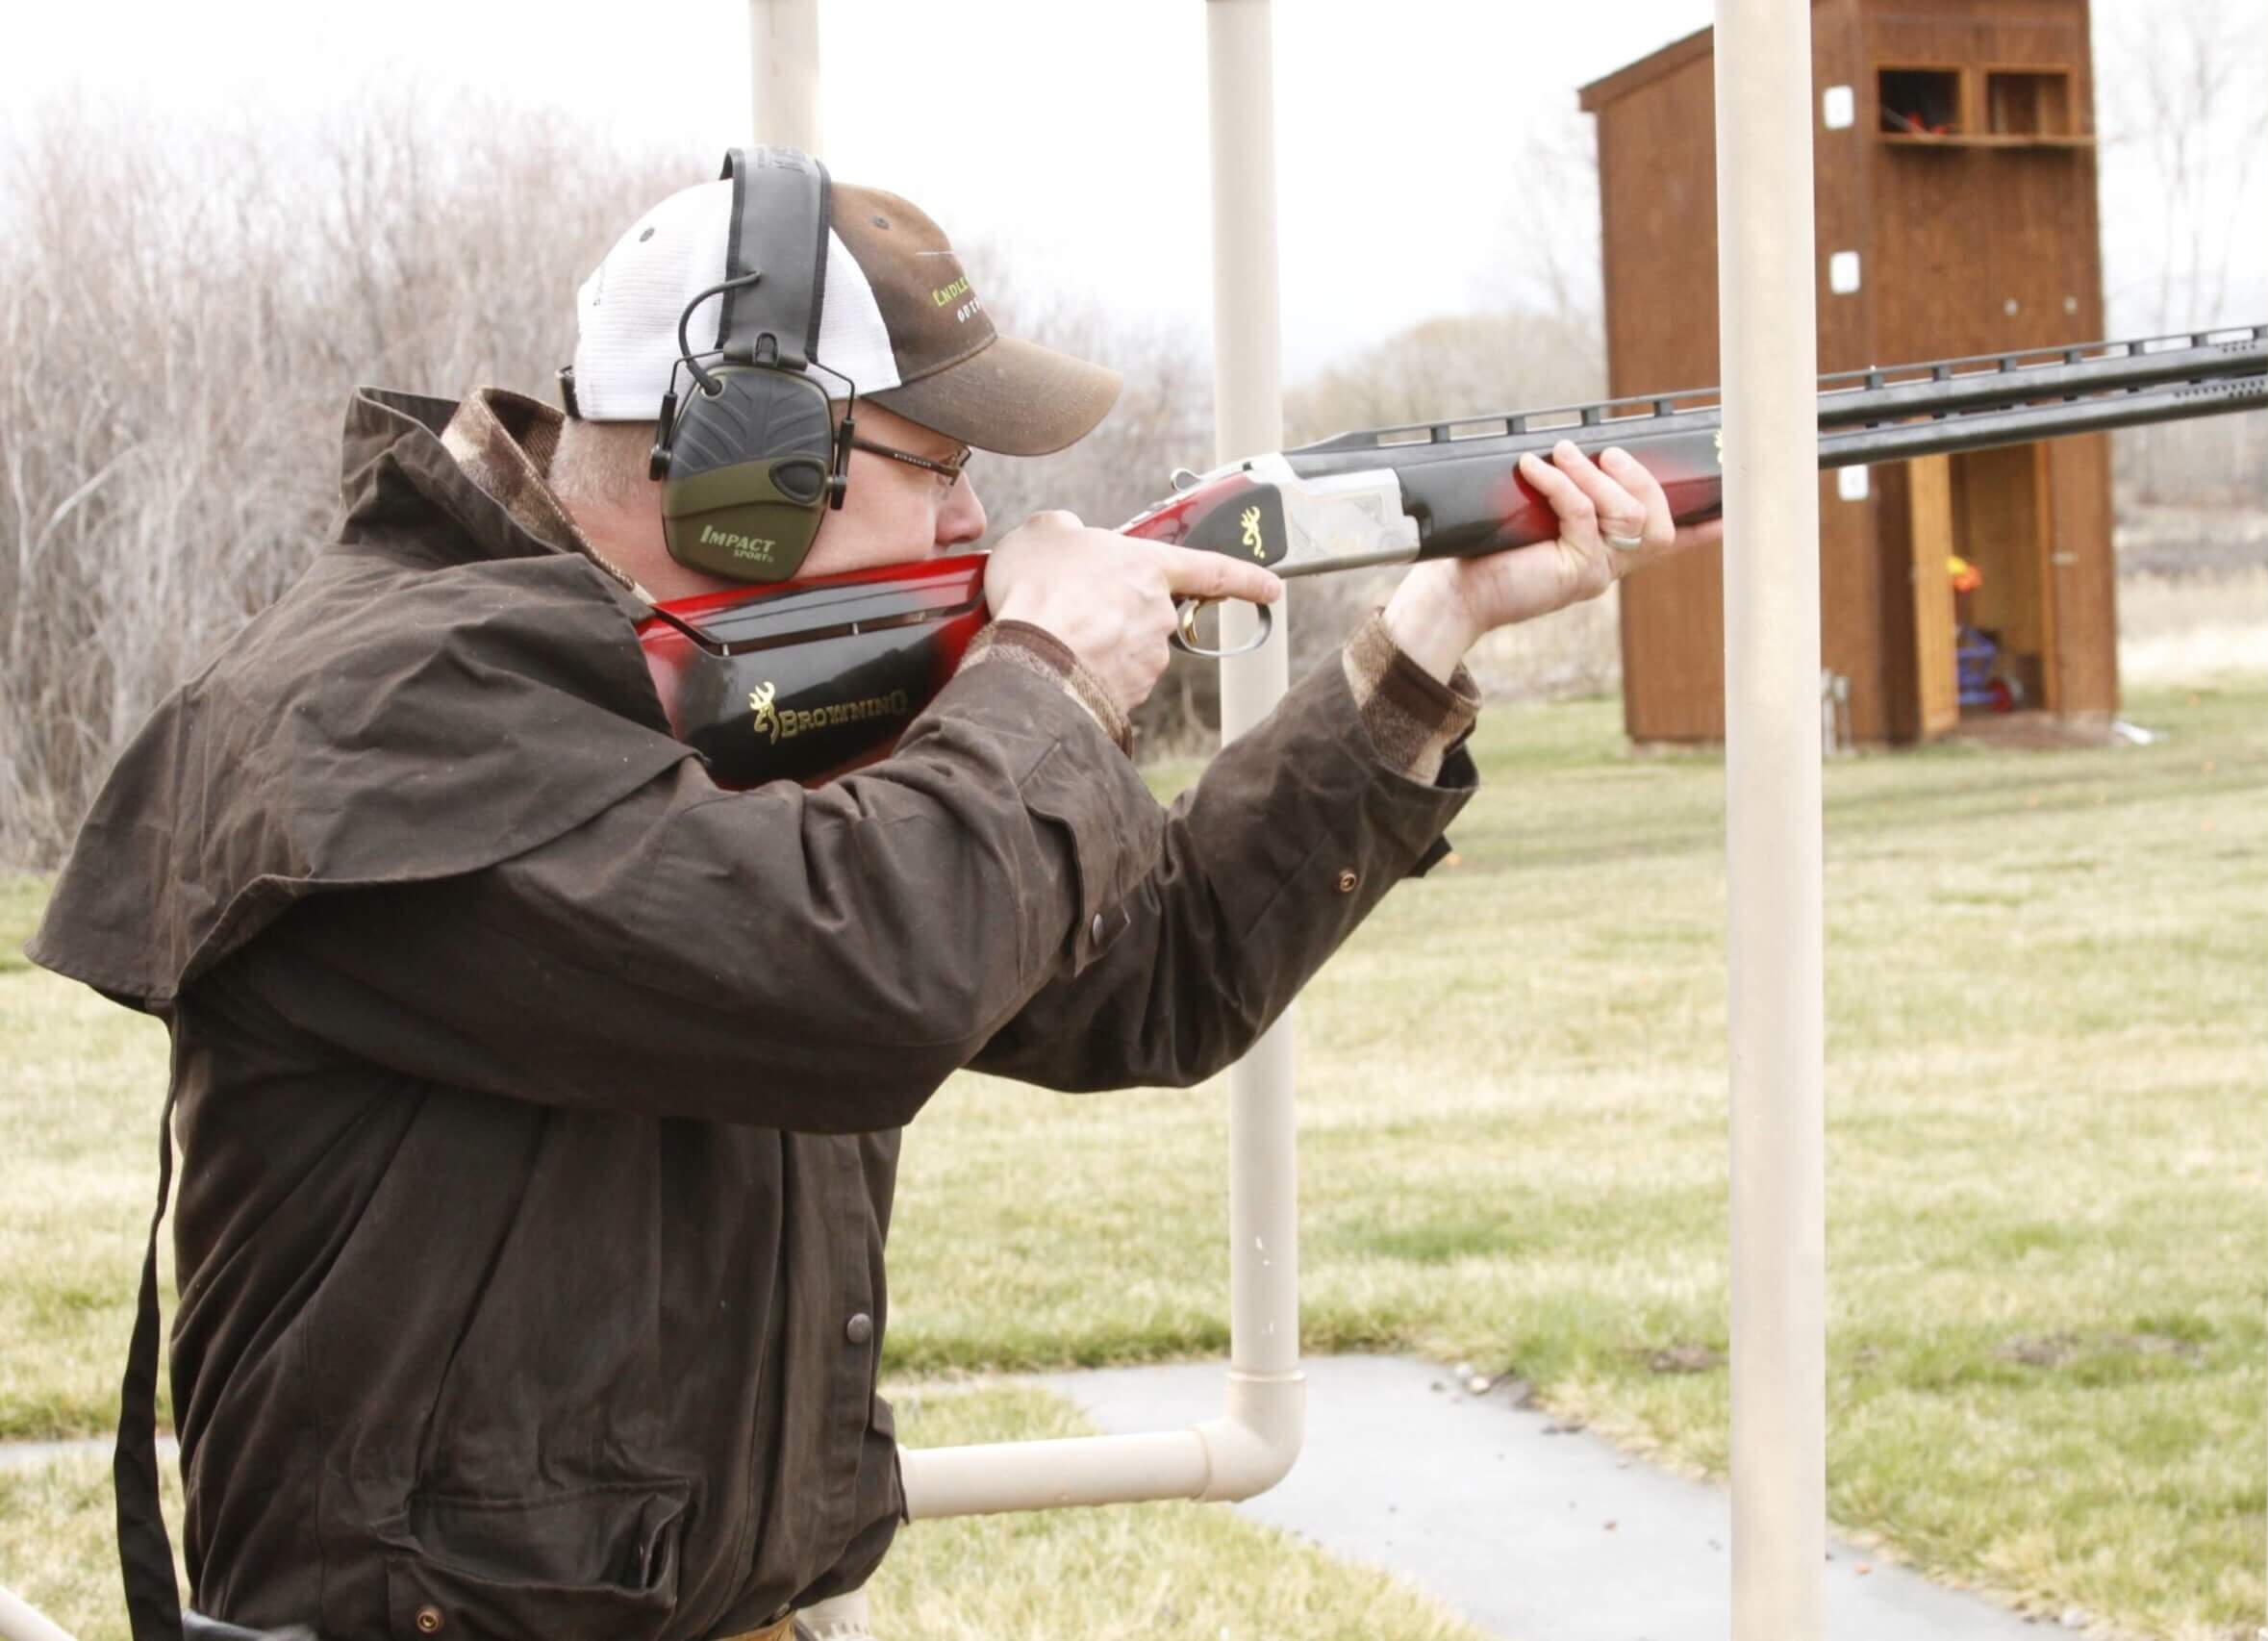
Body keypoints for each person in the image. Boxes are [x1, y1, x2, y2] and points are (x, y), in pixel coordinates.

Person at [28, 156, 1713, 1641]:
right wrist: (1046, 678)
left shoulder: (711, 706)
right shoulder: (395, 711)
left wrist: (1430, 639)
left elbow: (1158, 977)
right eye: (936, 461)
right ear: (754, 457)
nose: (980, 516)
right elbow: (858, 976)